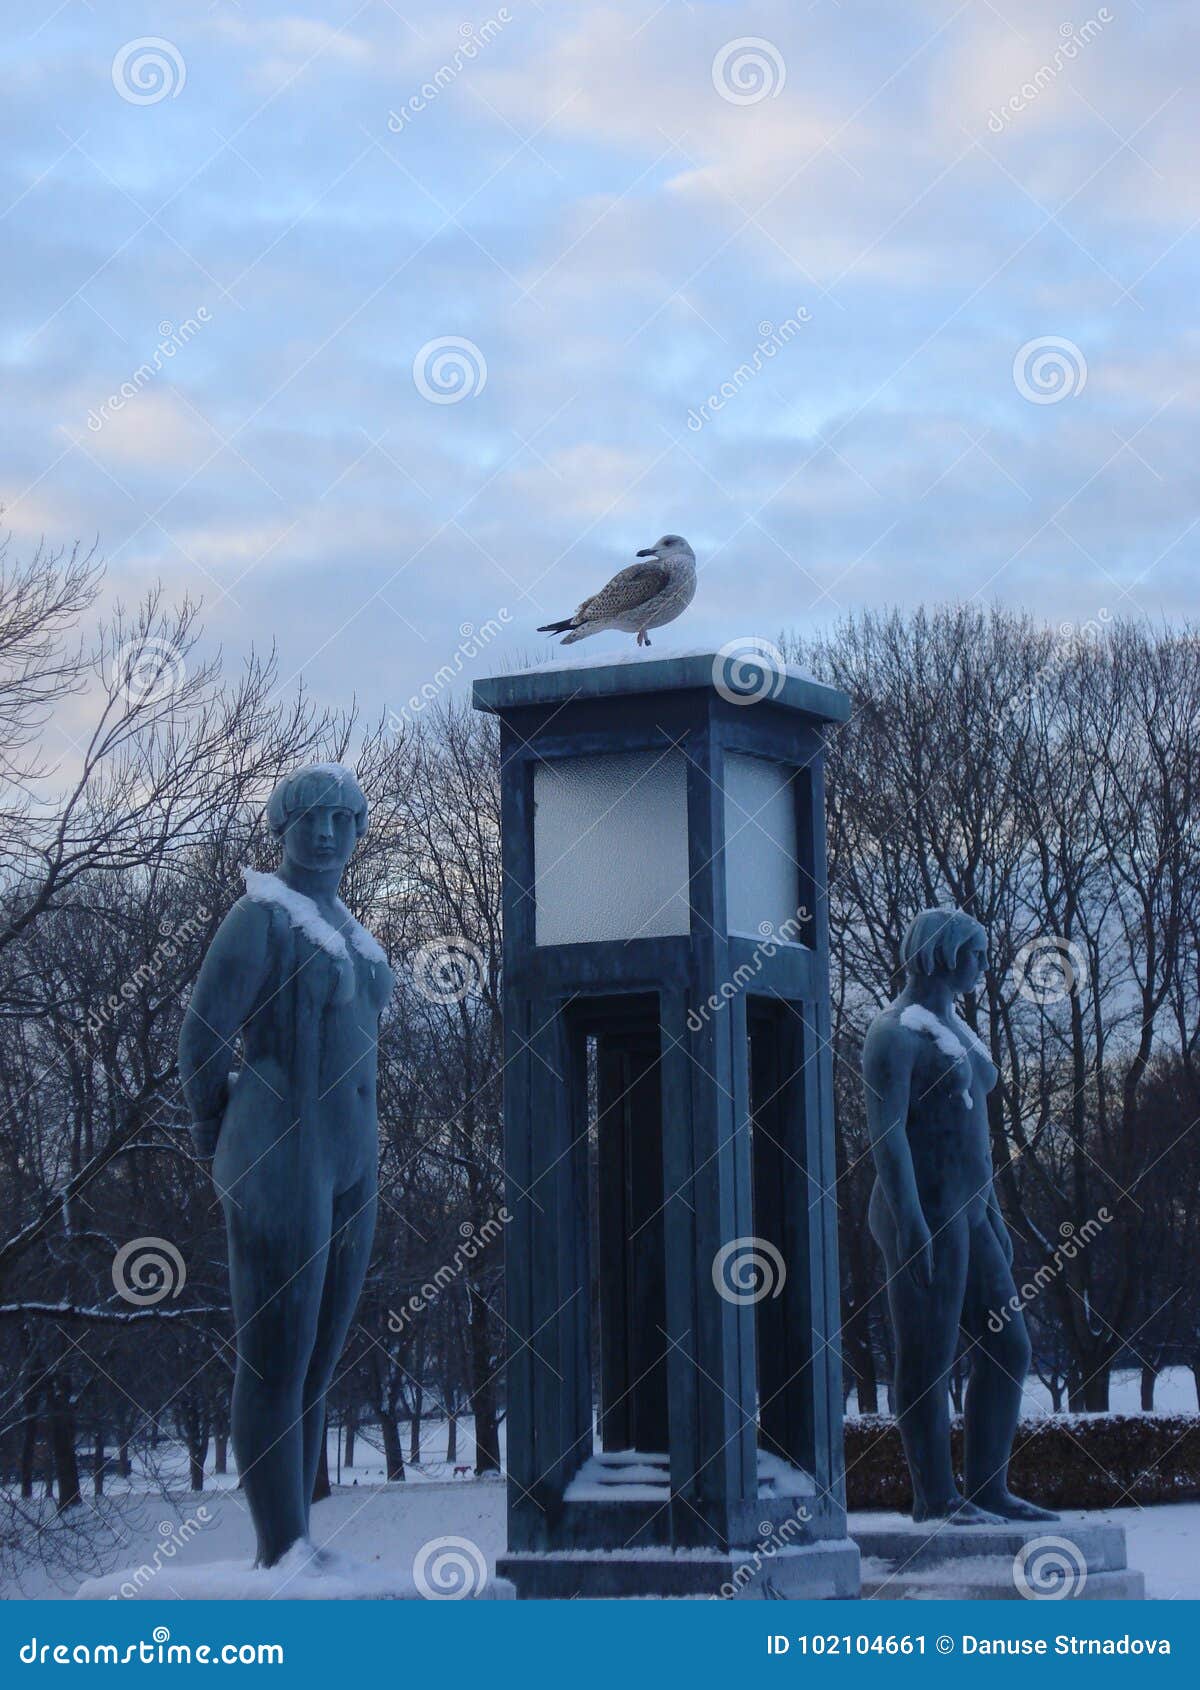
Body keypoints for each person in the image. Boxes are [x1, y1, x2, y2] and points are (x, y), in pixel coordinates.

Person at [179, 763, 392, 1567]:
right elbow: (201, 1039)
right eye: (310, 817)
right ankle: (282, 1548)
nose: (327, 832)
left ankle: (300, 1543)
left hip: (350, 1160)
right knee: (274, 1357)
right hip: (276, 1150)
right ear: (282, 826)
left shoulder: (348, 926)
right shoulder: (260, 917)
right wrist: (213, 1134)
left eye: (342, 817)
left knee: (317, 1364)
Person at [862, 907, 1056, 1524]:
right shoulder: (894, 1033)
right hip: (922, 1213)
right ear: (943, 953)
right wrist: (912, 1221)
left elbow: (973, 1135)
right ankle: (935, 1499)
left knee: (1010, 1348)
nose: (982, 966)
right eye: (975, 954)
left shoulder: (960, 1031)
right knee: (927, 1356)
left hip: (970, 1211)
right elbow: (887, 1137)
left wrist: (992, 1207)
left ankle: (987, 1489)